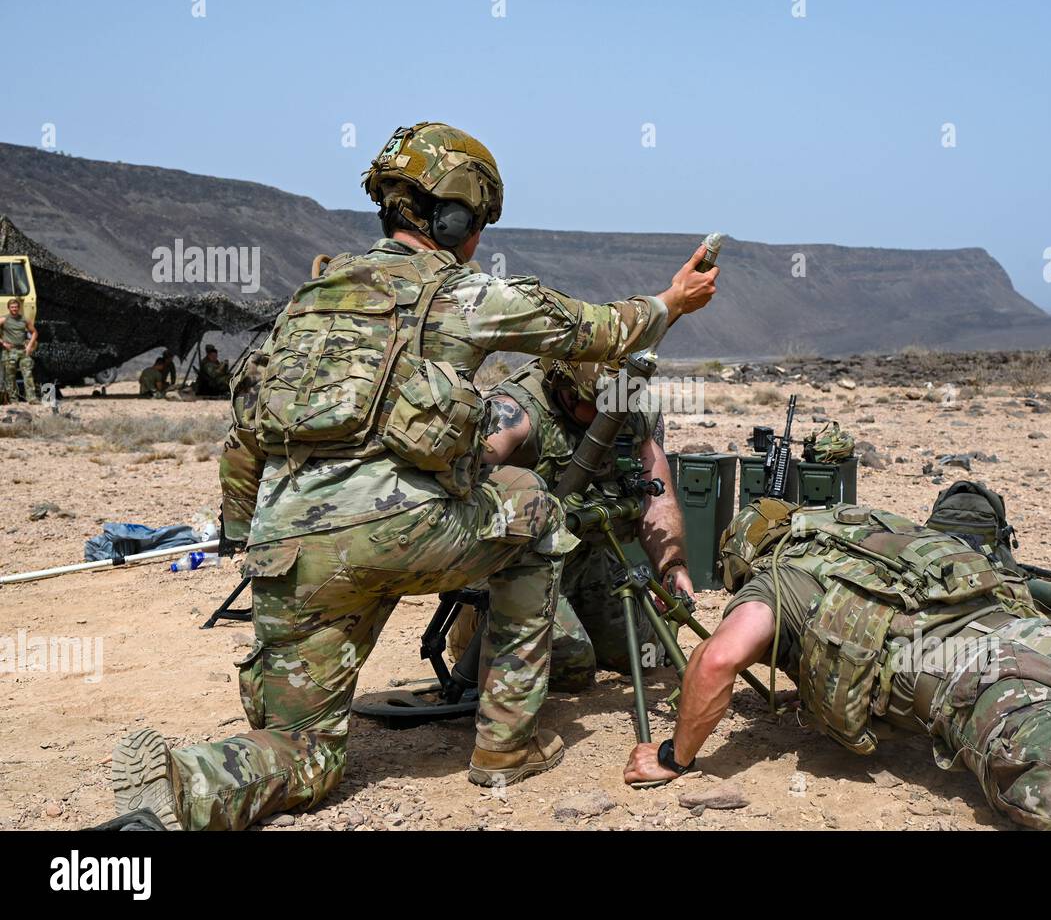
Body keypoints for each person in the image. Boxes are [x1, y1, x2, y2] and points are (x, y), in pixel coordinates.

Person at [110, 121, 718, 830]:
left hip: (289, 546)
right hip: (407, 530)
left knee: (305, 750)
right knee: (534, 507)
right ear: (458, 216)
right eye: (479, 222)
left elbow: (243, 435)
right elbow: (599, 330)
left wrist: (247, 537)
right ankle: (503, 750)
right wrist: (673, 301)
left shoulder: (308, 302)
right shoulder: (463, 294)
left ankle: (186, 786)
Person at [623, 500, 1051, 830]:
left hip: (988, 688)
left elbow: (717, 660)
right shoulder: (876, 532)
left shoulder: (781, 576)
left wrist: (676, 757)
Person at [471, 357, 692, 691]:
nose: (611, 416)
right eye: (599, 406)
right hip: (519, 563)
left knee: (645, 652)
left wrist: (673, 565)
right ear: (567, 393)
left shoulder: (631, 412)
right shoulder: (516, 412)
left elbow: (657, 500)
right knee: (573, 667)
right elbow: (464, 485)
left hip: (586, 556)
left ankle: (571, 623)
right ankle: (475, 625)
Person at [1, 297, 38, 404]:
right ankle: (13, 399)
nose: (14, 309)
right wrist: (3, 343)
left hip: (23, 350)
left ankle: (32, 398)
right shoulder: (4, 319)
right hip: (9, 351)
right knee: (10, 376)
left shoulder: (24, 320)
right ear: (8, 308)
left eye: (16, 307)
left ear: (19, 308)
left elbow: (34, 332)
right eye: (12, 307)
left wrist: (30, 345)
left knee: (28, 374)